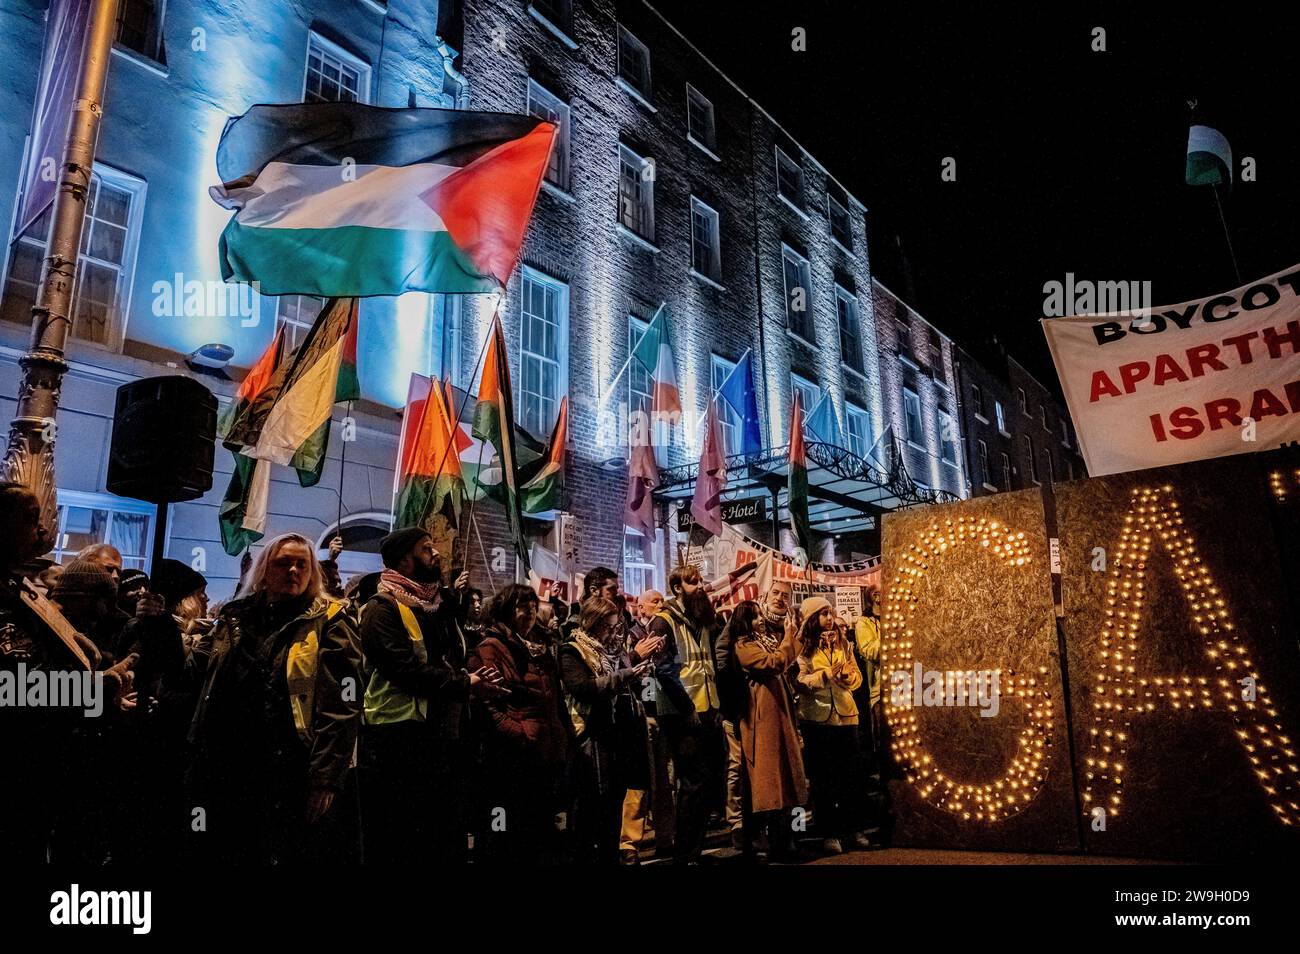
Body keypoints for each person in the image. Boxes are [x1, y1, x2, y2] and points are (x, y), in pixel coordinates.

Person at [186, 532, 361, 863]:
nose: (293, 571)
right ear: (265, 569)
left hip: (290, 765)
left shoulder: (332, 619)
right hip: (227, 762)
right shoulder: (235, 616)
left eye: (302, 564)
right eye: (284, 563)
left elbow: (344, 702)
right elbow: (197, 672)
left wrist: (326, 776)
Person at [0, 482, 134, 863]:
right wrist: (94, 688)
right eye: (30, 521)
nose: (43, 532)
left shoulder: (16, 586)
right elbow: (14, 688)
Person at [359, 527, 502, 864]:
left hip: (438, 735)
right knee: (405, 837)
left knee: (441, 832)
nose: (436, 554)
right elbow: (406, 672)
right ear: (405, 561)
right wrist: (465, 684)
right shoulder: (382, 609)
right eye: (426, 549)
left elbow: (450, 655)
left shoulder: (435, 605)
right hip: (396, 739)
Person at [470, 583, 575, 863]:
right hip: (513, 755)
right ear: (506, 610)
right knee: (506, 827)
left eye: (532, 605)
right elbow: (490, 703)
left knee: (538, 827)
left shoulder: (540, 647)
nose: (529, 611)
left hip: (544, 752)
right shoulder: (491, 647)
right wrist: (519, 735)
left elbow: (554, 697)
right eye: (522, 606)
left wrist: (563, 737)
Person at [559, 596, 653, 864]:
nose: (612, 633)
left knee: (613, 808)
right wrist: (624, 676)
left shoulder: (612, 650)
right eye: (607, 627)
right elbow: (583, 688)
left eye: (615, 627)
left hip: (617, 738)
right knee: (588, 811)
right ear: (592, 623)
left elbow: (623, 684)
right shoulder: (572, 650)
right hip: (589, 739)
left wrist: (636, 675)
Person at [648, 564, 726, 864]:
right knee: (692, 782)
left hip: (707, 708)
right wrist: (688, 708)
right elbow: (665, 670)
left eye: (700, 580)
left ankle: (694, 849)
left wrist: (715, 707)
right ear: (677, 587)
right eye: (692, 582)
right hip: (682, 712)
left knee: (705, 781)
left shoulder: (701, 618)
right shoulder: (664, 621)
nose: (700, 585)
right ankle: (684, 852)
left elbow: (709, 662)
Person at [727, 595, 808, 862]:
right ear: (745, 621)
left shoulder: (764, 641)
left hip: (779, 713)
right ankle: (762, 842)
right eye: (755, 616)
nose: (760, 620)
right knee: (767, 780)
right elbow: (773, 664)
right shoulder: (744, 645)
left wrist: (794, 635)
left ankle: (786, 839)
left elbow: (785, 658)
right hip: (763, 718)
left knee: (785, 777)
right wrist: (788, 638)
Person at [795, 594, 871, 854]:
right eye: (824, 614)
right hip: (817, 718)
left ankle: (854, 828)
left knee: (851, 777)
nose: (829, 619)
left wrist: (850, 677)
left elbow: (857, 678)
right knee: (823, 779)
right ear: (813, 619)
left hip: (846, 717)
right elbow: (801, 681)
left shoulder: (843, 643)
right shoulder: (802, 647)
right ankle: (830, 833)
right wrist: (826, 675)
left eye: (831, 613)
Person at [620, 589, 670, 862]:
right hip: (642, 711)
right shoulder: (632, 635)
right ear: (640, 607)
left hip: (663, 710)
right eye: (654, 602)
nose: (659, 606)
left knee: (664, 780)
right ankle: (630, 843)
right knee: (639, 781)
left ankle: (665, 837)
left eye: (661, 602)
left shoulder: (666, 632)